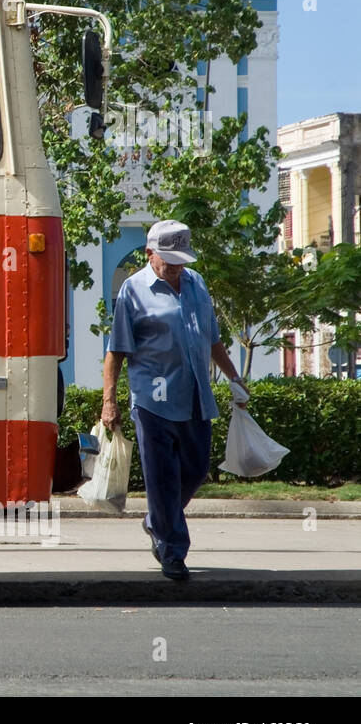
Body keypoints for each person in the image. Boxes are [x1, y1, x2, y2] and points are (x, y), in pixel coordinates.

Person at [101, 220, 247, 580]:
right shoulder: (132, 291)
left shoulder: (197, 284)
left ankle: (156, 520)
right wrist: (109, 400)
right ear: (150, 254)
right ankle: (172, 550)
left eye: (181, 259)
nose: (178, 267)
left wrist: (234, 377)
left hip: (196, 395)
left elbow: (212, 340)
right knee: (163, 478)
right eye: (170, 260)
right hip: (152, 400)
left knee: (196, 470)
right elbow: (116, 351)